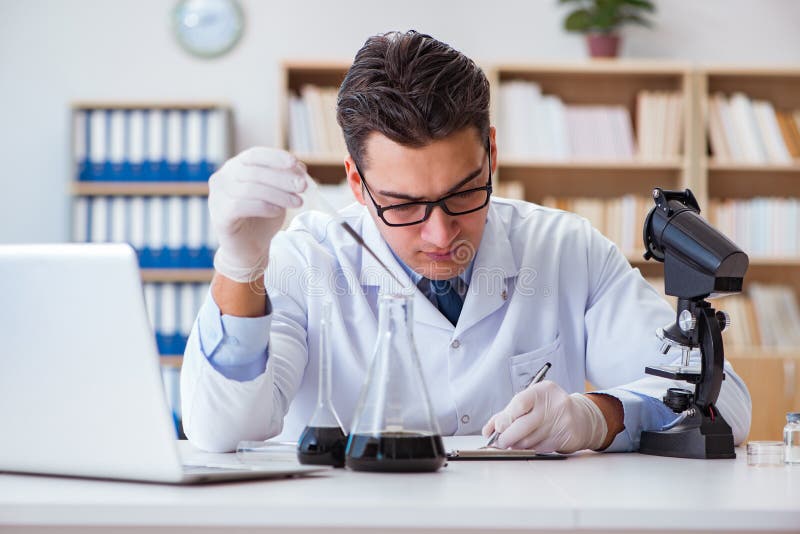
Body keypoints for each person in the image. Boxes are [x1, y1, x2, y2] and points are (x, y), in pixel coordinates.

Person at [180, 30, 751, 454]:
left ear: (492, 155)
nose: (440, 233)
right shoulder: (306, 258)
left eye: (463, 193)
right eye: (404, 205)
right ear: (357, 182)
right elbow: (217, 429)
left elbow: (725, 405)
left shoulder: (564, 249)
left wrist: (600, 417)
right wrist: (240, 264)